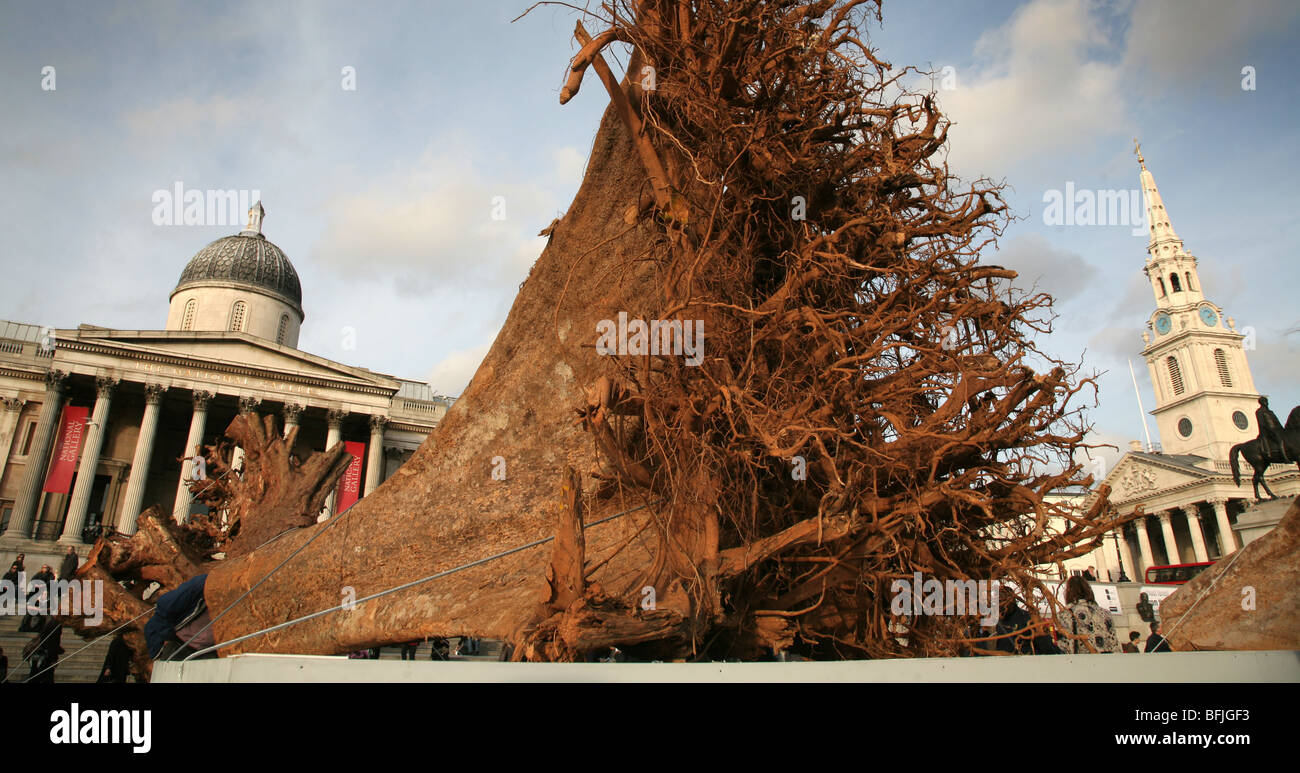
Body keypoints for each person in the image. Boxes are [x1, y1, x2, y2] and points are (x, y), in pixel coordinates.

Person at [144, 574, 215, 661]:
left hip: (205, 646)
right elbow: (164, 606)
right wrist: (169, 636)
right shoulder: (197, 586)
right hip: (182, 645)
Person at [1055, 576, 1121, 654]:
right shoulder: (1105, 614)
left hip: (1081, 662)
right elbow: (1114, 644)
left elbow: (1063, 646)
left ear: (1068, 592)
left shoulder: (1064, 615)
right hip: (1106, 662)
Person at [994, 592, 1060, 655]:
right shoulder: (998, 622)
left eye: (1002, 601)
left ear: (1011, 600)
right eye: (998, 602)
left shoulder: (1028, 618)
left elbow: (1046, 646)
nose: (1000, 605)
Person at [26, 618, 63, 683]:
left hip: (39, 654)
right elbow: (53, 643)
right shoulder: (55, 624)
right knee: (46, 677)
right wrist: (54, 659)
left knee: (34, 676)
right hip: (46, 657)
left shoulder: (50, 622)